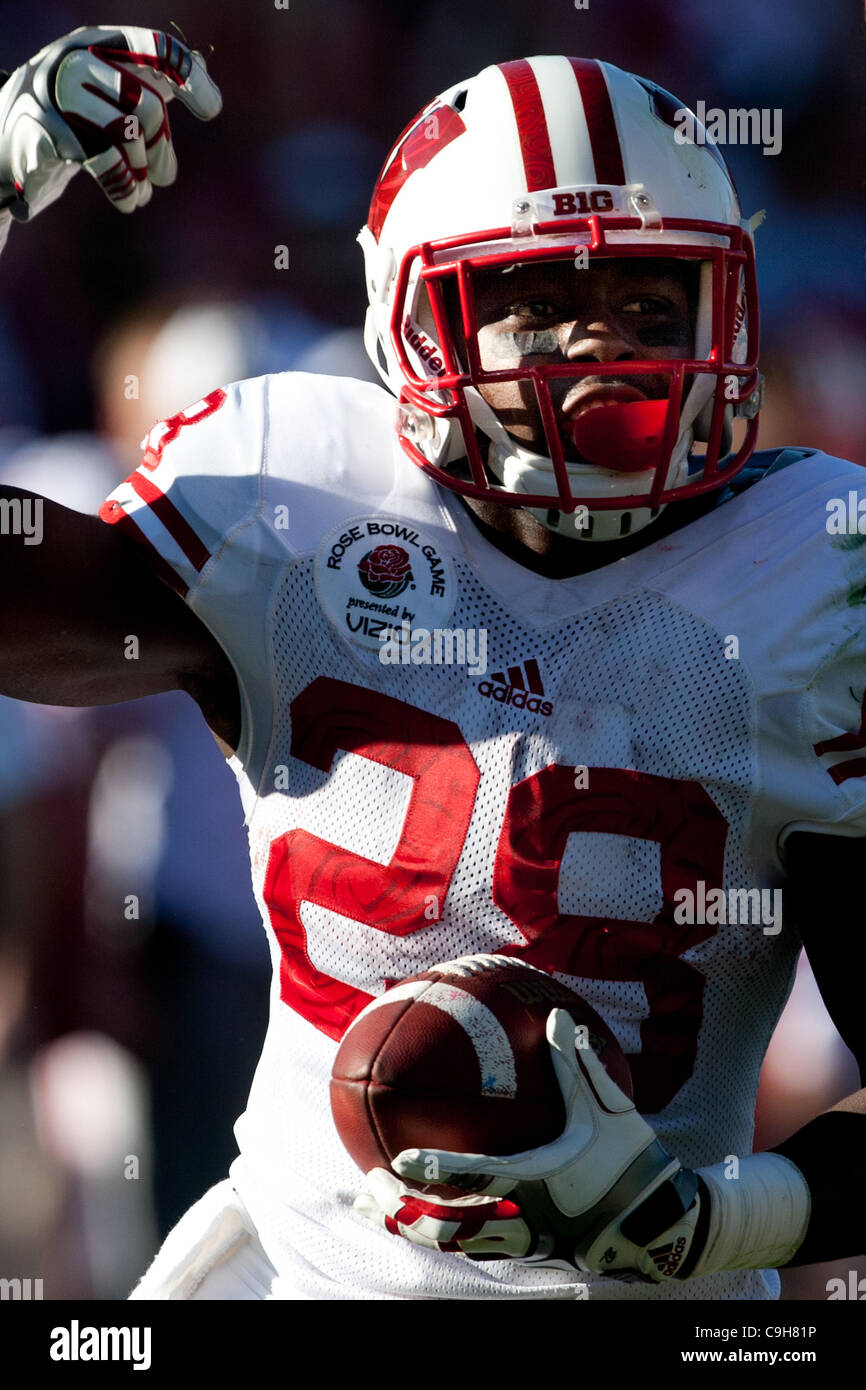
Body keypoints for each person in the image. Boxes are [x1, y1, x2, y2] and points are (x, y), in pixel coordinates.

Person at [0, 28, 863, 1301]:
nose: (599, 347)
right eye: (544, 299)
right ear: (409, 321)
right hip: (303, 1274)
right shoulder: (290, 491)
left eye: (645, 299)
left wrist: (708, 1222)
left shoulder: (813, 576)